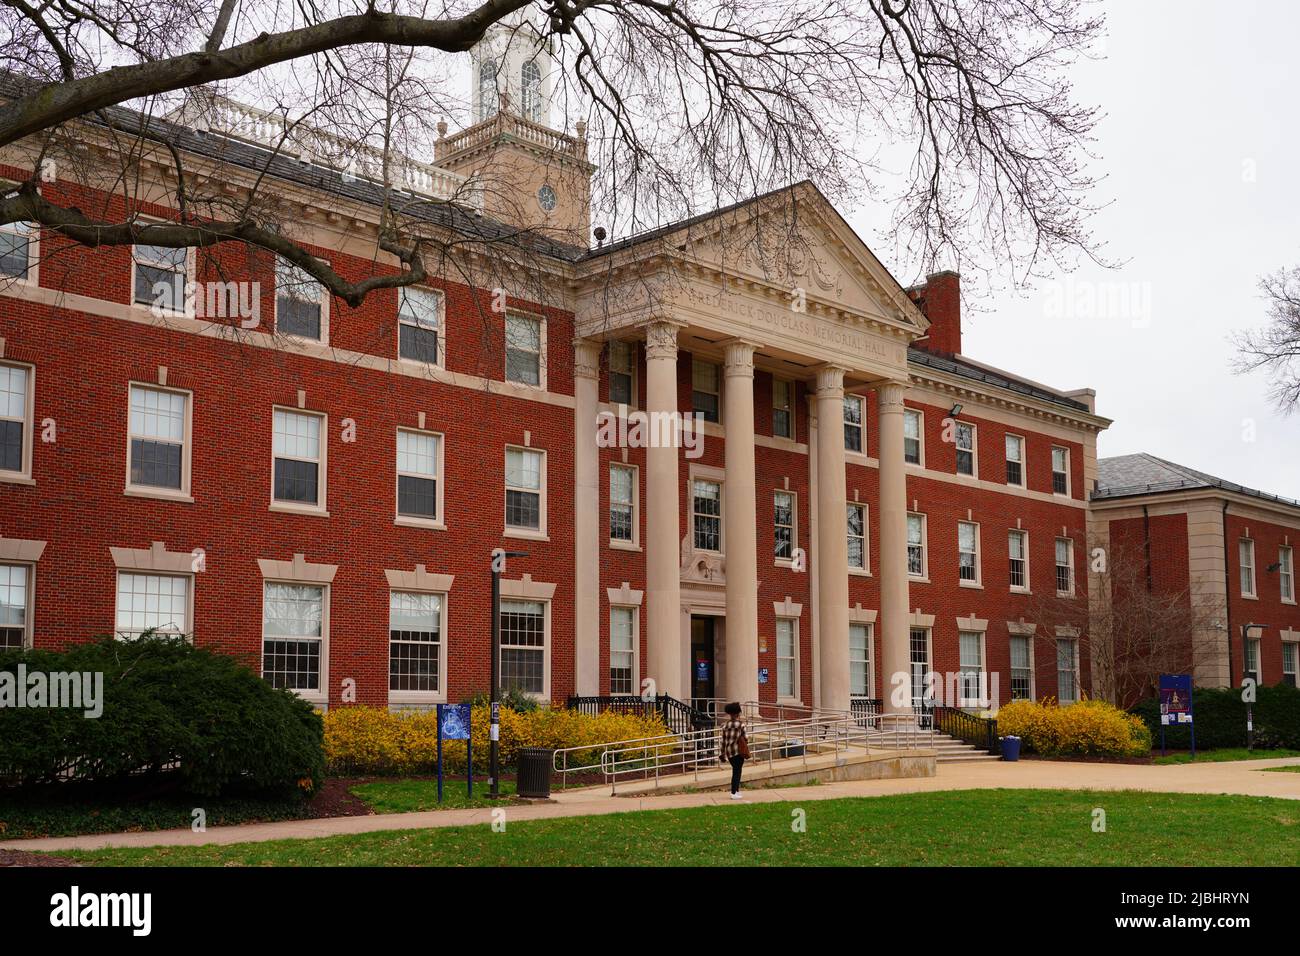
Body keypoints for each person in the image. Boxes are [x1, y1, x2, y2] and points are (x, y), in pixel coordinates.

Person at [718, 701, 749, 799]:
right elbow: (746, 737)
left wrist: (722, 753)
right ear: (737, 713)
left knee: (735, 770)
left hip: (729, 752)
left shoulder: (724, 725)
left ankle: (736, 791)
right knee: (737, 771)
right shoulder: (741, 725)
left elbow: (723, 741)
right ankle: (733, 792)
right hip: (738, 751)